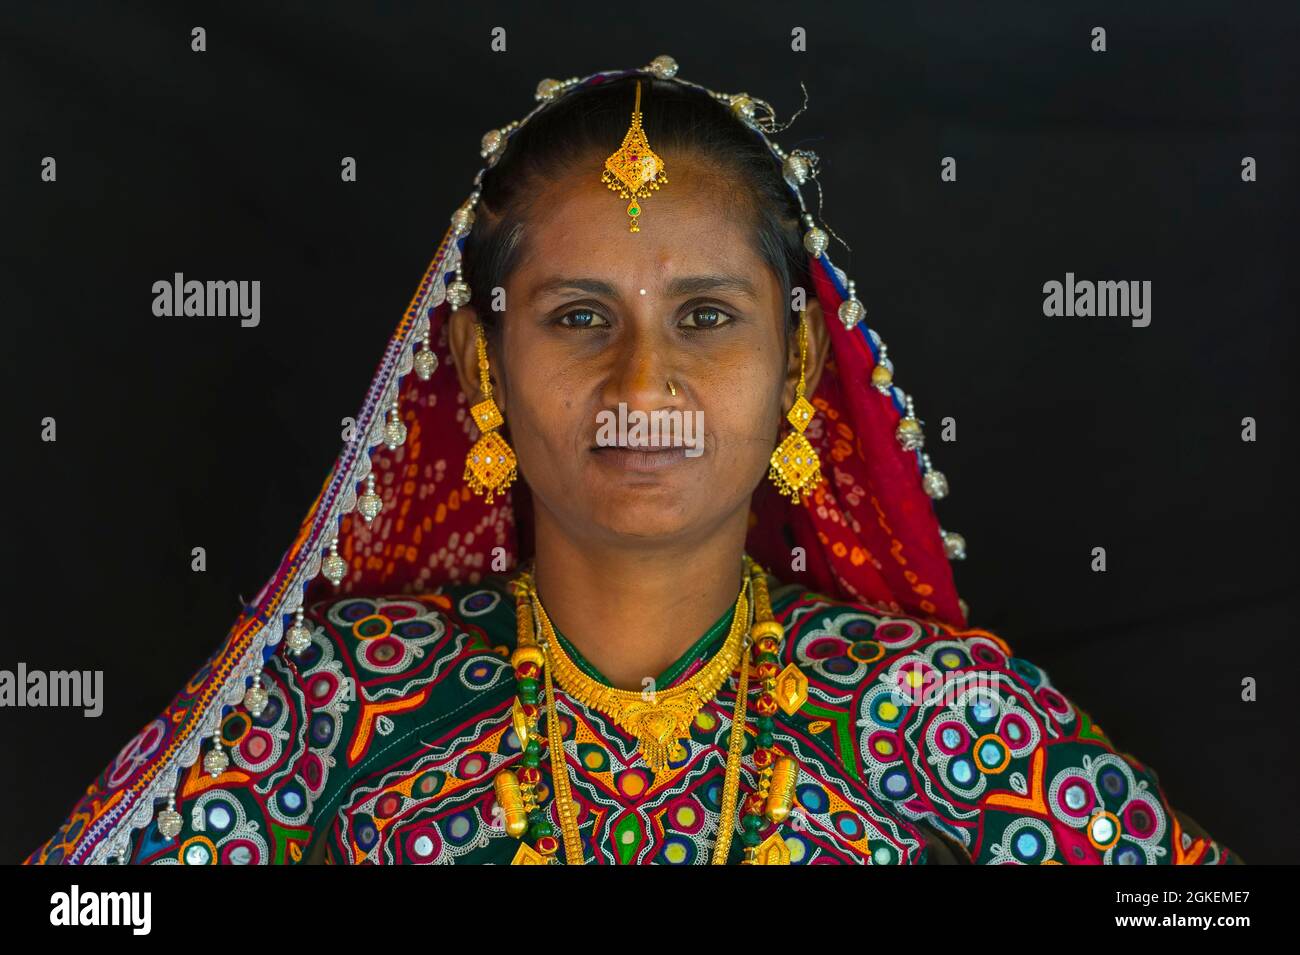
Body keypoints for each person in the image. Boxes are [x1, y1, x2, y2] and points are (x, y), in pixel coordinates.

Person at [26, 56, 1238, 865]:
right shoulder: (334, 701)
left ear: (799, 363)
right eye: (577, 315)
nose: (642, 384)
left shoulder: (938, 712)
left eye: (706, 315)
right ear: (483, 363)